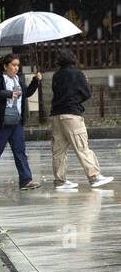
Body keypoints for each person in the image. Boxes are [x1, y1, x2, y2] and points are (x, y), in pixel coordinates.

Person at [49, 48, 111, 191]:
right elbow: (87, 94)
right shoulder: (78, 74)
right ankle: (94, 176)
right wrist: (86, 83)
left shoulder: (56, 75)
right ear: (72, 59)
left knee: (59, 150)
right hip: (72, 114)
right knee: (82, 146)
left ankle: (60, 181)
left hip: (57, 115)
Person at [0, 53, 40, 192]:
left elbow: (26, 93)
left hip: (15, 122)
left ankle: (26, 180)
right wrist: (8, 93)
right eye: (13, 65)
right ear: (5, 66)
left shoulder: (18, 79)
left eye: (18, 65)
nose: (16, 68)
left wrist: (36, 81)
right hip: (0, 122)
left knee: (20, 151)